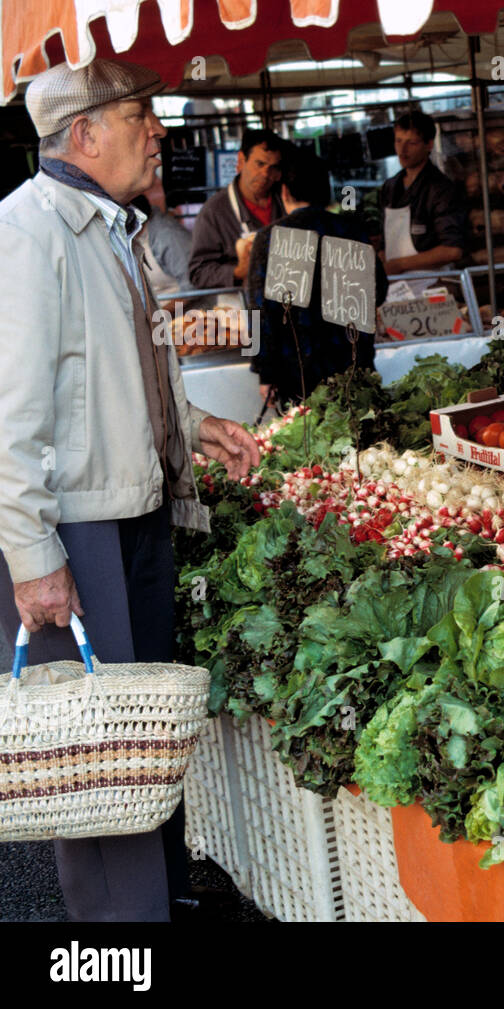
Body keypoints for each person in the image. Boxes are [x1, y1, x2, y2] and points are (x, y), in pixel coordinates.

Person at [0, 58, 262, 921]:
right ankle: (120, 943)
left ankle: (164, 903)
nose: (159, 132)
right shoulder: (27, 233)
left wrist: (192, 428)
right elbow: (11, 419)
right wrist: (34, 561)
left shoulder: (117, 229)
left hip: (136, 516)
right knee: (98, 753)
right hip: (79, 532)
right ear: (86, 133)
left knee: (139, 744)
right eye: (141, 115)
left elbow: (119, 377)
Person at [245, 152, 389, 405]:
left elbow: (259, 312)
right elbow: (379, 290)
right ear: (327, 192)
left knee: (307, 440)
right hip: (354, 369)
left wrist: (264, 373)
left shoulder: (270, 237)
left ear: (285, 192)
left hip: (296, 376)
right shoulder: (352, 231)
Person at [188, 128, 285, 290]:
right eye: (259, 164)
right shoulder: (213, 212)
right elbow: (198, 273)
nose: (265, 174)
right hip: (241, 308)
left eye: (273, 167)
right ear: (241, 161)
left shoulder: (285, 200)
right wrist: (239, 271)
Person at [378, 111, 467, 275]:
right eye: (398, 141)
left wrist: (399, 264)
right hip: (396, 285)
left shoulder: (441, 189)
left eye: (411, 143)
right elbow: (384, 245)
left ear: (429, 145)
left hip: (433, 283)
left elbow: (452, 250)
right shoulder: (390, 187)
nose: (402, 150)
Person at [135, 169, 191, 296]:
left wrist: (160, 314)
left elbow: (192, 288)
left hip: (187, 312)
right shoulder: (132, 240)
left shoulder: (167, 235)